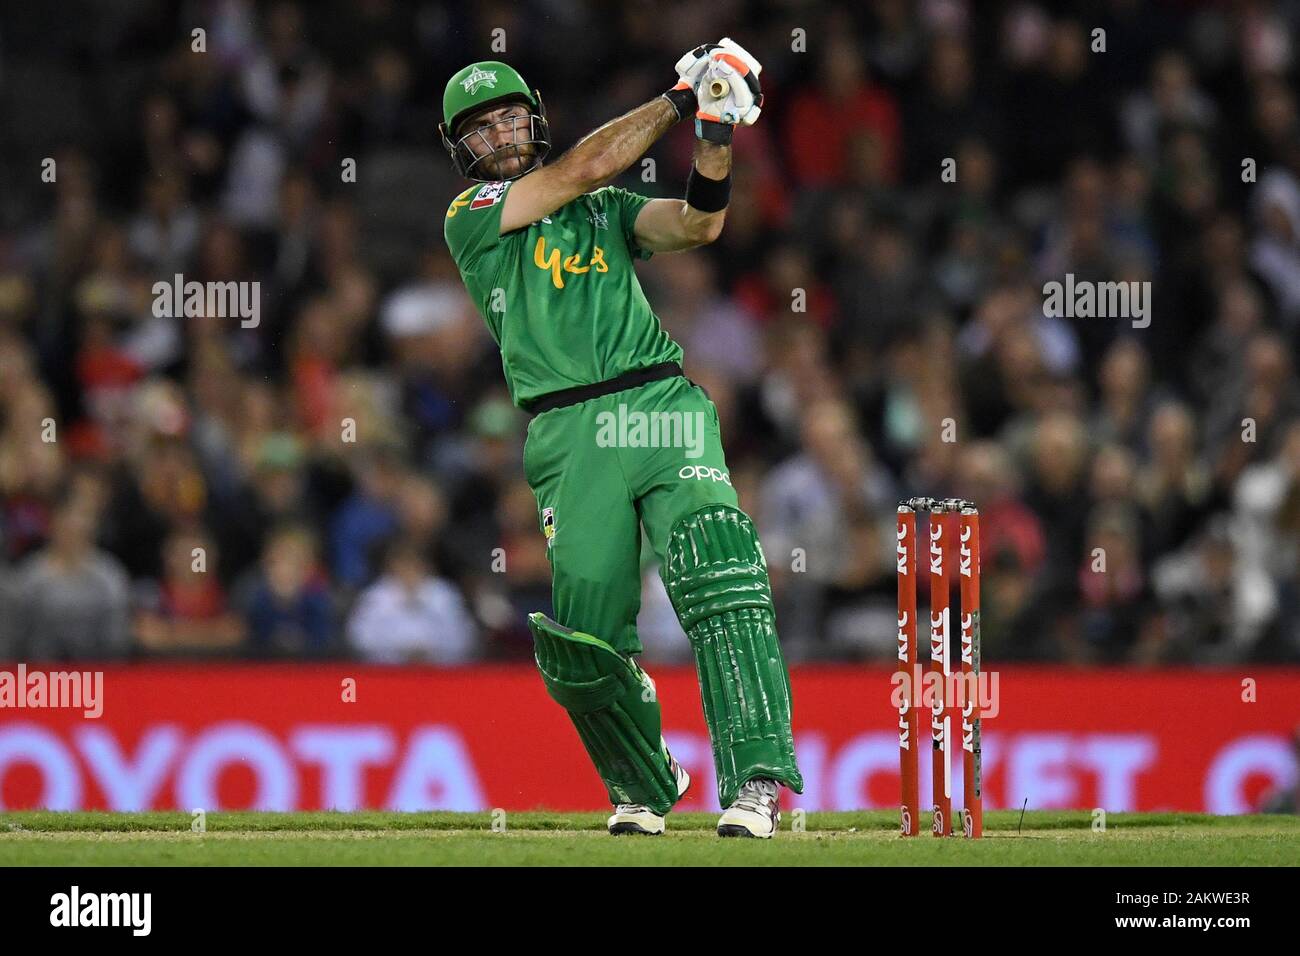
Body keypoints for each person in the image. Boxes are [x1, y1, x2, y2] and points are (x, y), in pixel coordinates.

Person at [439, 41, 802, 838]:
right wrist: (679, 95)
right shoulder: (472, 219)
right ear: (460, 151)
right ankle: (644, 780)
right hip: (567, 429)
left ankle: (757, 784)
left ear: (531, 117)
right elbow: (578, 169)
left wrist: (714, 129)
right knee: (583, 640)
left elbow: (700, 224)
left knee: (720, 571)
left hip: (658, 402)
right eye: (480, 129)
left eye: (508, 117)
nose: (499, 136)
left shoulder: (605, 211)